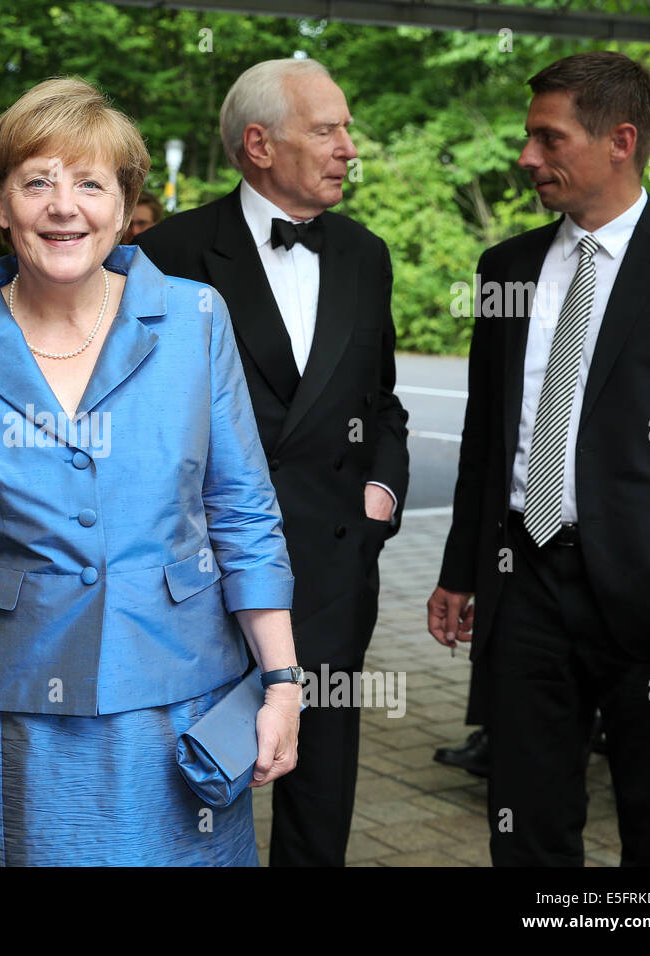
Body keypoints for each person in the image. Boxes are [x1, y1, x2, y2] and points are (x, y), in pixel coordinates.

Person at [0, 76, 301, 867]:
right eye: (35, 181)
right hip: (10, 717)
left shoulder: (194, 318)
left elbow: (244, 512)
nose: (63, 205)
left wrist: (282, 679)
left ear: (124, 202)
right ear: (1, 205)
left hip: (179, 702)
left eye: (89, 183)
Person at [427, 50, 650, 866]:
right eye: (528, 139)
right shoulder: (505, 269)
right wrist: (460, 571)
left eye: (548, 140)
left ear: (620, 140)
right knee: (526, 821)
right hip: (526, 590)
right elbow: (487, 435)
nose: (526, 158)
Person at [137, 58, 410, 868]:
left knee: (320, 808)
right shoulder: (167, 253)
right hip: (200, 586)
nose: (347, 147)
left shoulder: (365, 255)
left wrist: (381, 499)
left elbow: (383, 403)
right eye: (327, 129)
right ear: (258, 144)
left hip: (331, 575)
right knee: (183, 798)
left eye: (346, 129)